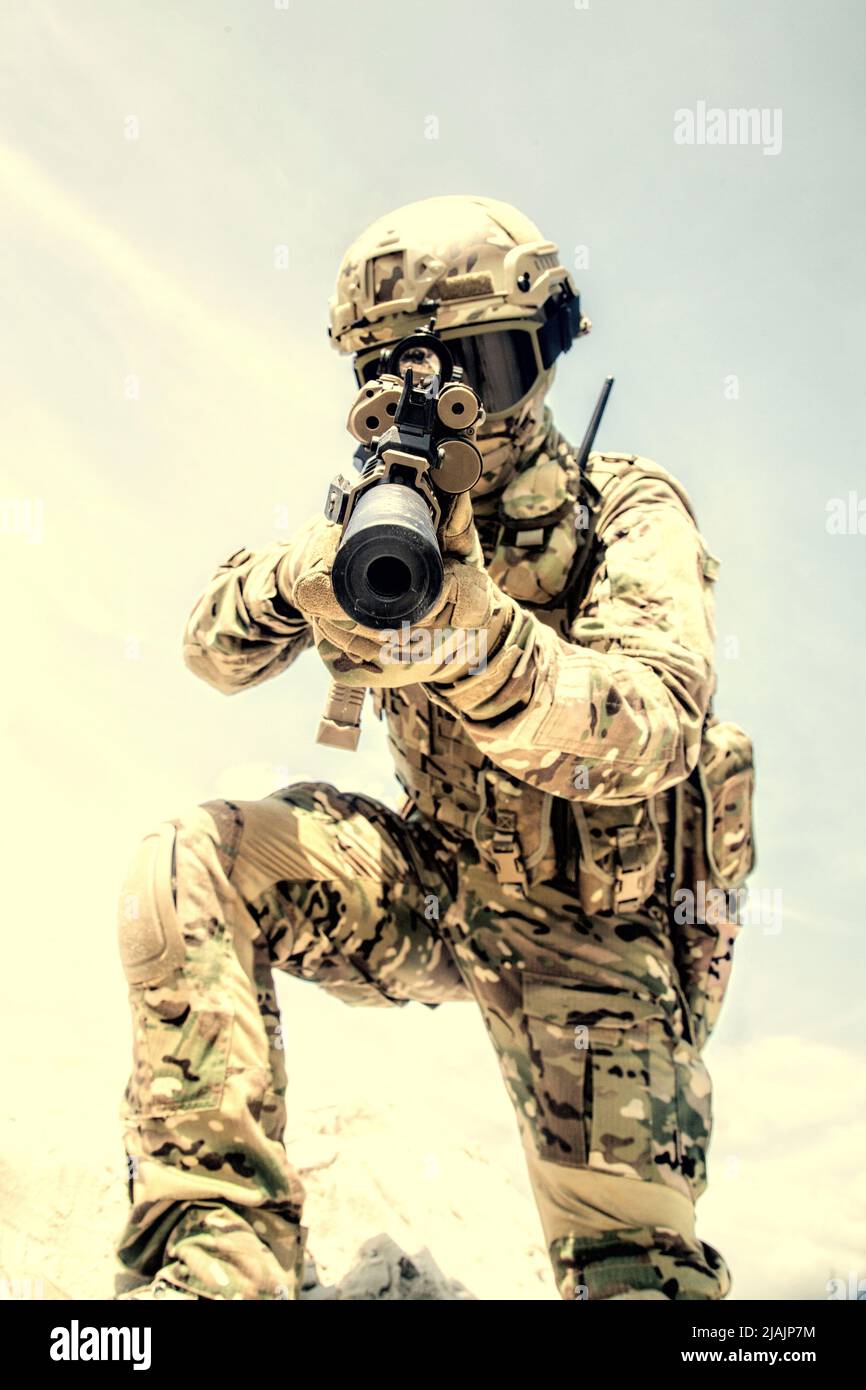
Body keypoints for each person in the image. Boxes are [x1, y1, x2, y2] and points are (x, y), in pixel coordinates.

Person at [115, 195, 754, 1301]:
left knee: (634, 1277)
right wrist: (296, 578)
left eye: (484, 370)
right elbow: (207, 652)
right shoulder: (376, 509)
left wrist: (468, 639)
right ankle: (216, 1261)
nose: (459, 412)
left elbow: (650, 727)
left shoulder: (625, 512)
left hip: (588, 938)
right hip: (435, 887)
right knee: (191, 860)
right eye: (399, 376)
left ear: (541, 359)